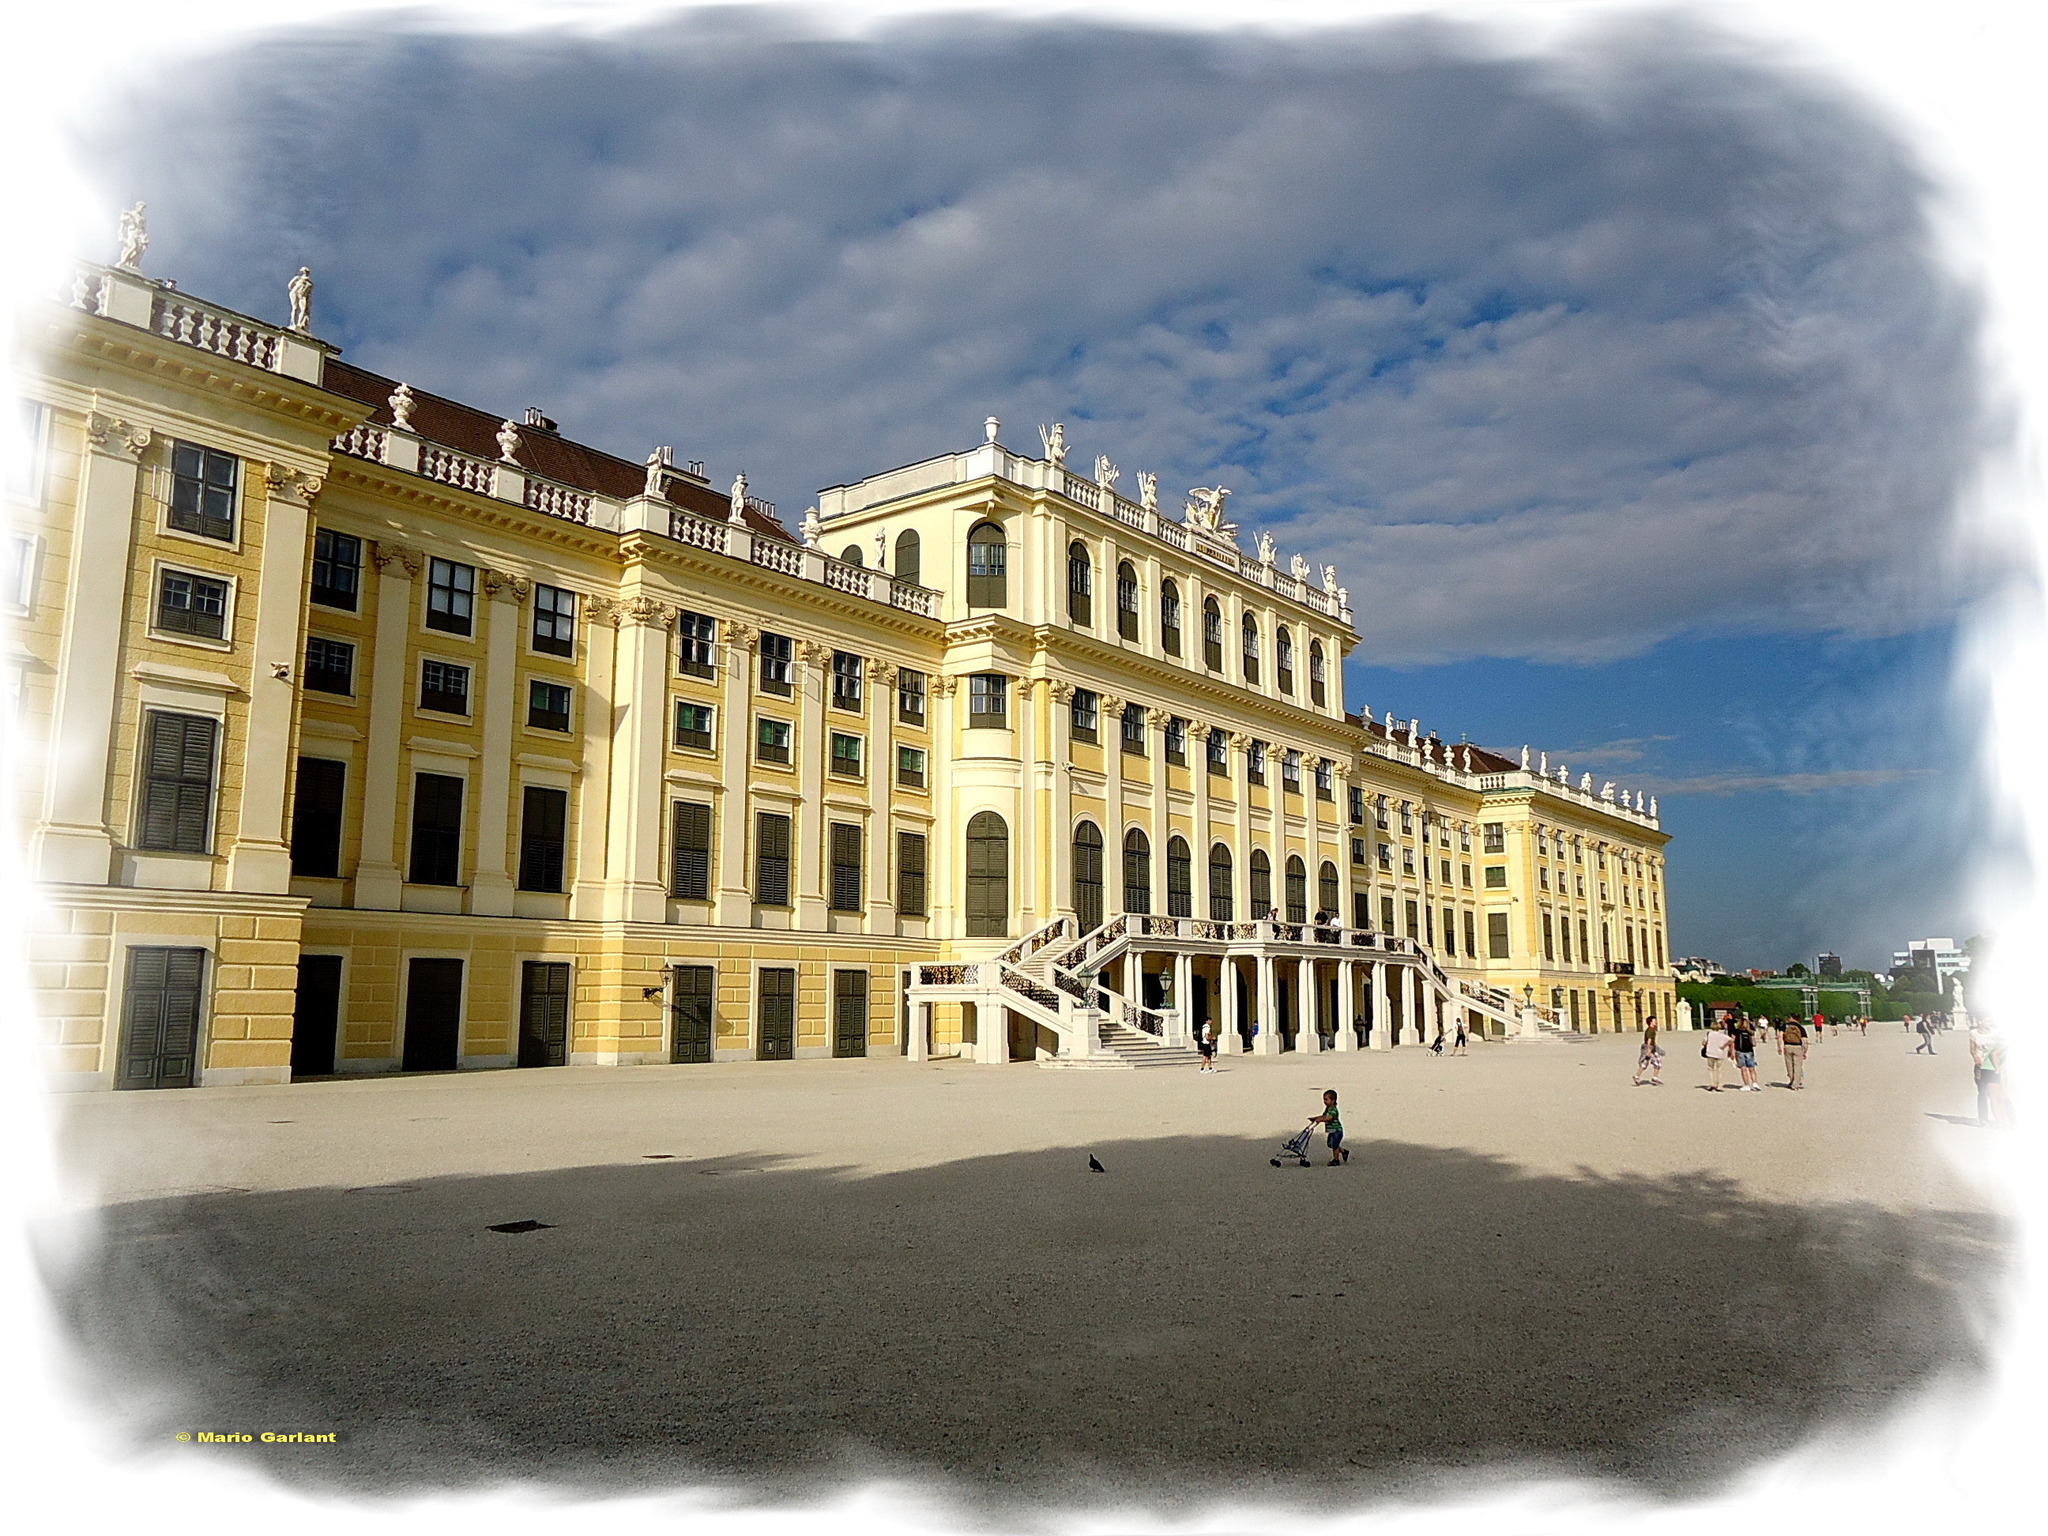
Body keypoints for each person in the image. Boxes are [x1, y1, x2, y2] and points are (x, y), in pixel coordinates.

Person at [1969, 1022, 2007, 1126]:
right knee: (1982, 1092)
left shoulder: (1996, 1033)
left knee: (1998, 1094)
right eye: (1986, 1020)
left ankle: (2003, 1118)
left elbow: (2001, 1048)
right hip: (1981, 1064)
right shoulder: (1974, 1033)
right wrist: (1975, 1057)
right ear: (1980, 1021)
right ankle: (1983, 1118)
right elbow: (1972, 1048)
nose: (1989, 1023)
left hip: (1994, 1065)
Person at [1308, 1089, 1349, 1165]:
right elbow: (1324, 1116)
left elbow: (1329, 1118)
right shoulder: (1328, 1109)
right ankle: (1343, 1151)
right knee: (1330, 1144)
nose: (1324, 1101)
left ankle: (1336, 1160)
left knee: (1335, 1146)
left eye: (1326, 1099)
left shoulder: (1333, 1110)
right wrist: (1315, 1118)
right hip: (1331, 1131)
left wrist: (1320, 1120)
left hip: (1337, 1130)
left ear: (1333, 1100)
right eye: (1324, 1099)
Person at [1731, 1015, 1761, 1091]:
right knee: (1752, 1068)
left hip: (1740, 1051)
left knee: (1743, 1069)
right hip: (1749, 1051)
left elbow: (1732, 1042)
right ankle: (1755, 1083)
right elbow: (1754, 1044)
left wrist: (1732, 1052)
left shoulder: (1736, 1031)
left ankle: (1746, 1085)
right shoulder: (1750, 1032)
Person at [1703, 1018, 1733, 1091]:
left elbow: (1704, 1043)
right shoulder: (1722, 1035)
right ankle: (1719, 1085)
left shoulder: (1709, 1034)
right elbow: (1731, 1040)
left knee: (1711, 1069)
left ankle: (1712, 1084)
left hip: (1710, 1053)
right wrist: (1724, 1046)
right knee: (1719, 1070)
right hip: (1719, 1053)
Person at [1779, 1015, 1808, 1090]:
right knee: (1797, 1066)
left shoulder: (1785, 1026)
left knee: (1789, 1065)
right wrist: (1805, 1051)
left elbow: (1780, 1036)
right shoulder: (1800, 1027)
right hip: (1798, 1047)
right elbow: (1805, 1041)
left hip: (1787, 1046)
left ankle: (1792, 1080)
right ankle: (1795, 1084)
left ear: (1791, 1018)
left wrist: (1779, 1046)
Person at [1634, 1021, 1664, 1086]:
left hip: (1651, 1048)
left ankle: (1637, 1077)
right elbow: (1649, 1041)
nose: (1656, 1022)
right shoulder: (1650, 1031)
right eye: (1654, 1021)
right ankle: (1654, 1078)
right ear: (1650, 1022)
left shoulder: (1651, 1030)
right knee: (1657, 1063)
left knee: (1646, 1063)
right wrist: (1649, 1051)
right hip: (1650, 1049)